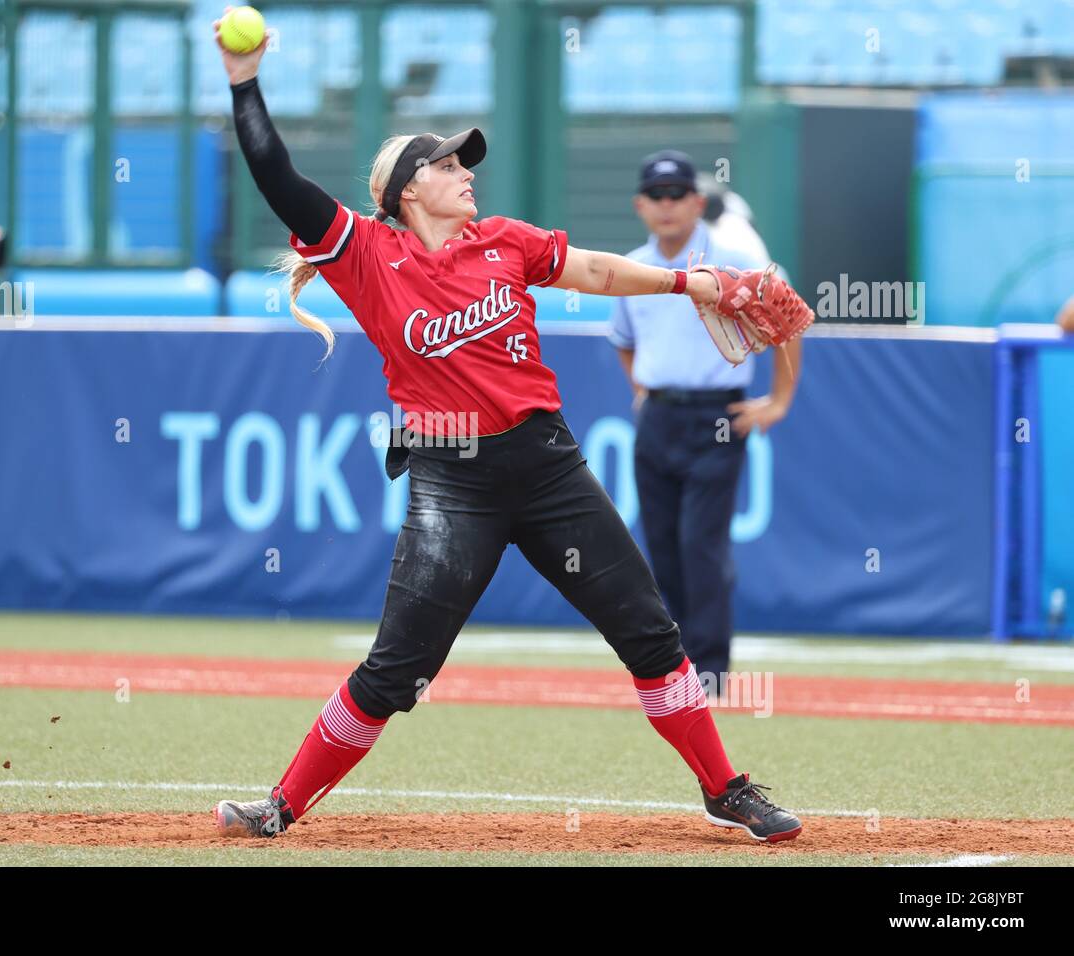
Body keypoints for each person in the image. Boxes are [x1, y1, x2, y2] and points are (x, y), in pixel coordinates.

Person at [210, 12, 802, 844]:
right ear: (406, 190)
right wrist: (245, 83)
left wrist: (689, 283)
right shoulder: (367, 258)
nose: (464, 172)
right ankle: (283, 804)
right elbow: (276, 175)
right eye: (446, 163)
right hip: (453, 480)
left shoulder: (503, 242)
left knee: (650, 631)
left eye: (462, 161)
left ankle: (724, 786)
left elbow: (592, 269)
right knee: (396, 670)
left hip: (548, 465)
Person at [609, 151, 803, 698]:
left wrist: (779, 401)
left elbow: (790, 321)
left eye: (678, 195)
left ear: (698, 201)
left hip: (719, 414)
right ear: (640, 205)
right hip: (660, 416)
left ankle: (710, 674)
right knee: (662, 547)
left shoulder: (738, 257)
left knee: (702, 545)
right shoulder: (633, 267)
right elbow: (624, 341)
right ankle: (672, 670)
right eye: (657, 196)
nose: (667, 206)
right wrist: (644, 391)